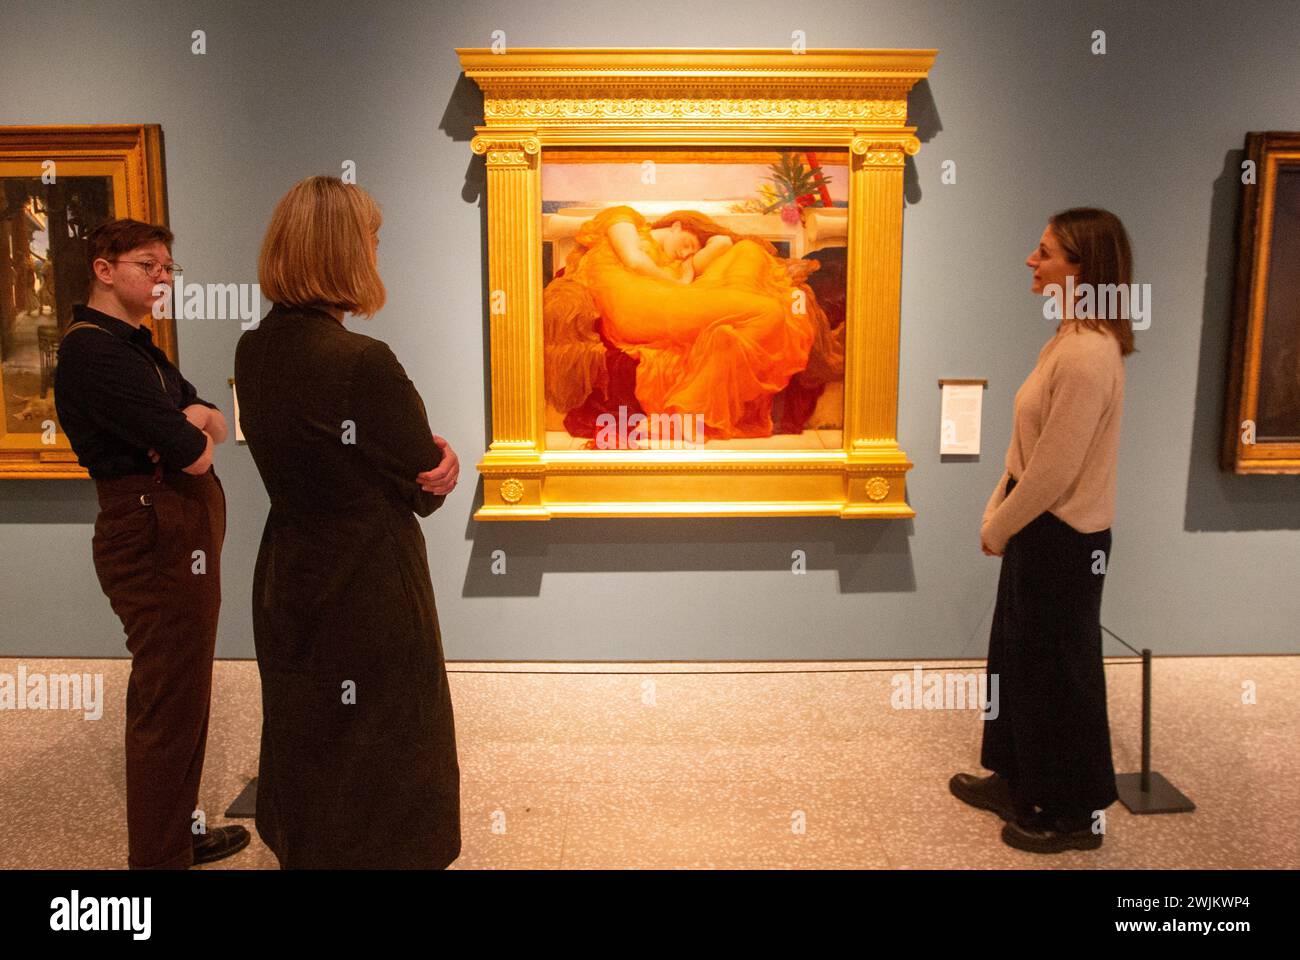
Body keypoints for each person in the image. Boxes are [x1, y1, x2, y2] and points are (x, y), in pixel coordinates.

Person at [234, 175, 461, 868]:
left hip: (290, 565)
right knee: (384, 743)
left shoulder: (255, 348)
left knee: (308, 727)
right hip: (367, 579)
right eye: (372, 238)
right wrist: (444, 463)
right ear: (344, 252)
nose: (376, 250)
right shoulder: (362, 361)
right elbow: (422, 478)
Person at [53, 218, 245, 868]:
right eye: (148, 265)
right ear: (104, 269)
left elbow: (214, 416)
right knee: (168, 699)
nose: (162, 278)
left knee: (184, 691)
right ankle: (159, 861)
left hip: (173, 526)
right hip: (152, 530)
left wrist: (195, 423)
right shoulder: (93, 352)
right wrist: (193, 427)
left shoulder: (137, 346)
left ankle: (180, 833)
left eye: (168, 267)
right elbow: (194, 449)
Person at [950, 207, 1135, 854]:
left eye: (1045, 251)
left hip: (1062, 536)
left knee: (1060, 671)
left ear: (1080, 267)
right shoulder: (1069, 337)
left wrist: (999, 526)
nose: (1032, 260)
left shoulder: (1087, 354)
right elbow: (1029, 451)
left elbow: (1055, 469)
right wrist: (999, 516)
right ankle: (1016, 776)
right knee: (1017, 658)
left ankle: (1072, 813)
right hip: (1039, 530)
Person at [545, 206, 816, 438]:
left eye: (692, 251)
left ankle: (689, 409)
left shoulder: (672, 265)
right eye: (688, 243)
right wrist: (677, 280)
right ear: (676, 226)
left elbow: (722, 244)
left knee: (746, 256)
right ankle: (685, 411)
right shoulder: (623, 219)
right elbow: (634, 260)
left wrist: (705, 250)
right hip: (637, 308)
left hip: (662, 304)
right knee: (766, 311)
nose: (686, 253)